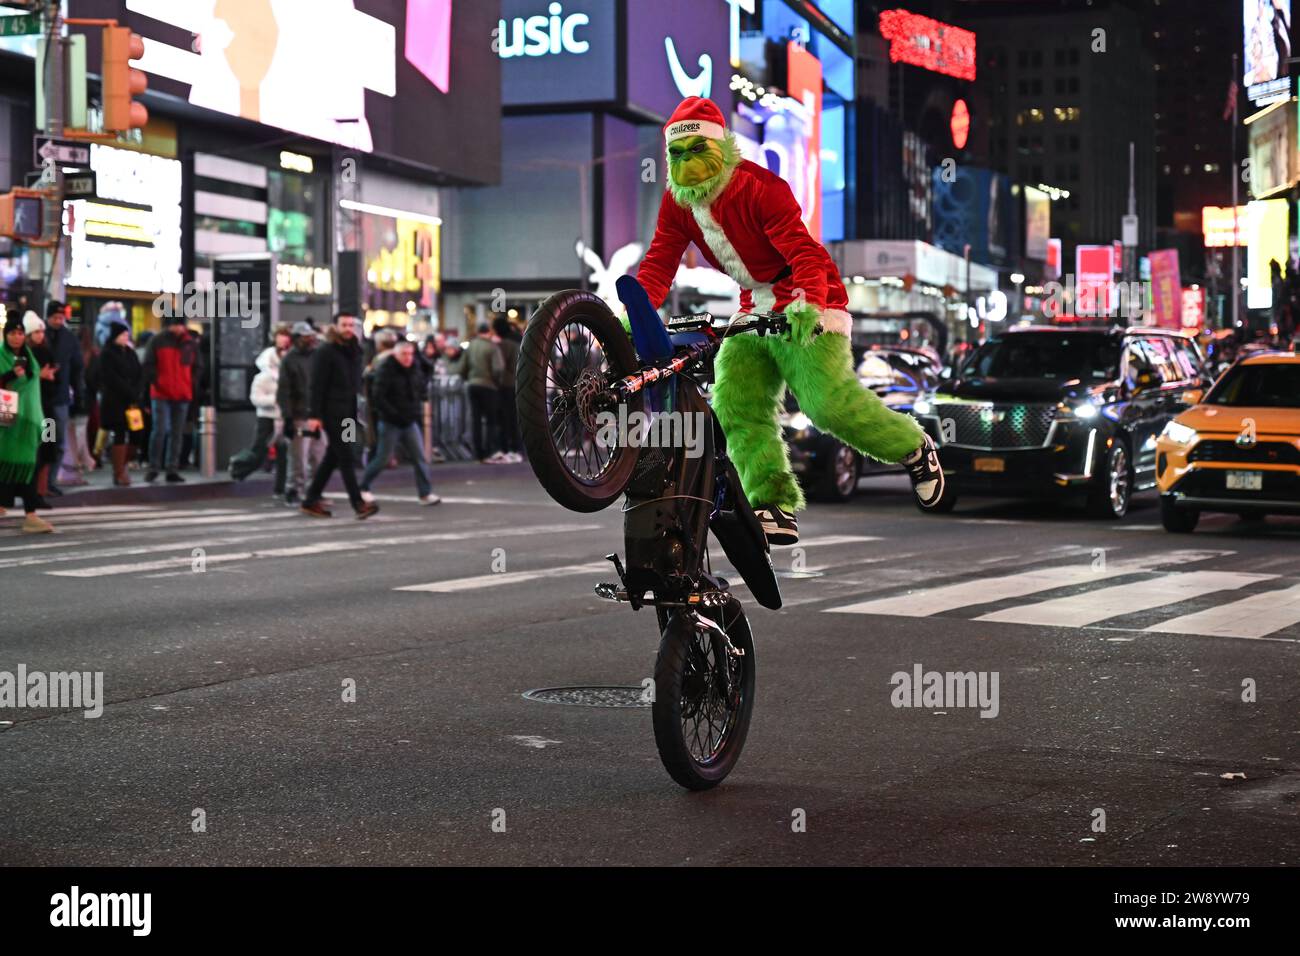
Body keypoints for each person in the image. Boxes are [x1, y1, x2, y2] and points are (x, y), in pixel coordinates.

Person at [632, 96, 944, 544]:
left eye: (698, 150)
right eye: (676, 154)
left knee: (825, 405)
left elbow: (805, 253)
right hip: (751, 306)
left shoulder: (760, 188)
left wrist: (807, 304)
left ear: (722, 149)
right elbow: (659, 262)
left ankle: (913, 448)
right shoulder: (677, 204)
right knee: (737, 406)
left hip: (807, 296)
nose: (687, 163)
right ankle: (772, 501)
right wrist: (634, 316)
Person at [300, 313, 378, 519]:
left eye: (351, 324)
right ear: (335, 326)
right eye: (344, 324)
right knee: (346, 457)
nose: (348, 328)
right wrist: (314, 414)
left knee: (334, 456)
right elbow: (316, 385)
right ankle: (358, 504)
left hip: (349, 413)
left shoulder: (355, 351)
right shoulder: (325, 351)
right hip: (331, 413)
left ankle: (310, 499)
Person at [358, 339, 440, 505]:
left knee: (419, 457)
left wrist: (418, 401)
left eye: (410, 354)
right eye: (404, 354)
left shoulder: (414, 368)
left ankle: (425, 493)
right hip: (391, 421)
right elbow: (378, 397)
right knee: (382, 458)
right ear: (395, 354)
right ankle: (363, 487)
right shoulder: (386, 370)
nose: (408, 358)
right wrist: (393, 413)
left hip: (408, 420)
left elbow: (424, 375)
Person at [0, 314, 54, 532]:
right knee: (5, 463)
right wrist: (10, 376)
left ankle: (30, 514)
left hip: (29, 420)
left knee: (28, 464)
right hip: (6, 420)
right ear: (6, 335)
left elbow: (32, 387)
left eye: (20, 333)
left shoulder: (29, 357)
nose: (16, 337)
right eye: (12, 333)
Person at [231, 324, 290, 492]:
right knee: (258, 452)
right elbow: (255, 398)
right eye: (281, 335)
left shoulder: (288, 373)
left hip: (284, 416)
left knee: (283, 454)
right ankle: (237, 469)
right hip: (267, 416)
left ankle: (280, 488)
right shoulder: (263, 376)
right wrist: (276, 400)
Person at [141, 314, 197, 482]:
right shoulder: (157, 341)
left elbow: (197, 366)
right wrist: (157, 382)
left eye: (181, 325)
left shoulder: (189, 343)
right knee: (160, 431)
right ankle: (154, 467)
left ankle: (171, 468)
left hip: (182, 393)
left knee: (176, 433)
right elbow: (148, 365)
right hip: (161, 393)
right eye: (176, 325)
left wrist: (190, 383)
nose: (179, 329)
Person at [277, 322, 324, 505]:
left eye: (310, 336)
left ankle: (314, 490)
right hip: (299, 415)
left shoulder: (317, 357)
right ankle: (293, 489)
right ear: (297, 339)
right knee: (299, 458)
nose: (310, 340)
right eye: (305, 337)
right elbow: (284, 391)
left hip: (316, 415)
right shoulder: (290, 360)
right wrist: (288, 416)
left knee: (318, 456)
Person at [42, 300, 85, 495]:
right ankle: (39, 482)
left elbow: (77, 370)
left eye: (61, 317)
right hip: (41, 399)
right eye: (55, 318)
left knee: (56, 441)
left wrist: (79, 396)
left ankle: (48, 481)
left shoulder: (69, 339)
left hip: (59, 400)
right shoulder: (40, 335)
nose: (58, 321)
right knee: (44, 440)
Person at [97, 321, 143, 486]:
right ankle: (119, 472)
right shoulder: (107, 354)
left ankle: (124, 466)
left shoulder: (130, 353)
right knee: (120, 433)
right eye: (122, 335)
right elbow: (110, 378)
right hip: (115, 402)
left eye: (127, 335)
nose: (125, 338)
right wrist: (129, 391)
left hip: (132, 403)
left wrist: (136, 391)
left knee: (136, 433)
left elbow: (139, 372)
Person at [452, 321, 505, 463]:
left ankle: (478, 453)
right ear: (489, 332)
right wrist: (496, 382)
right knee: (490, 420)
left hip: (472, 386)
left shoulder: (470, 346)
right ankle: (488, 451)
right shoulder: (492, 347)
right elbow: (498, 368)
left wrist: (467, 378)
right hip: (488, 387)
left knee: (475, 420)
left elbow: (461, 367)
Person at [491, 316, 523, 463]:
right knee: (515, 418)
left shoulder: (504, 345)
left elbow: (499, 367)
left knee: (505, 419)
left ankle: (509, 449)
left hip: (505, 385)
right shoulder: (519, 341)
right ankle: (517, 448)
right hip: (518, 384)